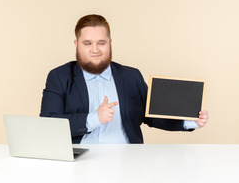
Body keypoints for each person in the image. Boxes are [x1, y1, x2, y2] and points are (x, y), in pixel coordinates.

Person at [40, 14, 209, 144]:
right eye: (87, 43)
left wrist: (189, 121)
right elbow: (48, 125)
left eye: (101, 42)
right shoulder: (59, 77)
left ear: (110, 43)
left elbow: (152, 115)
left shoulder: (131, 76)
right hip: (79, 161)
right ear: (76, 44)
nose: (95, 49)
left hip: (128, 160)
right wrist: (94, 118)